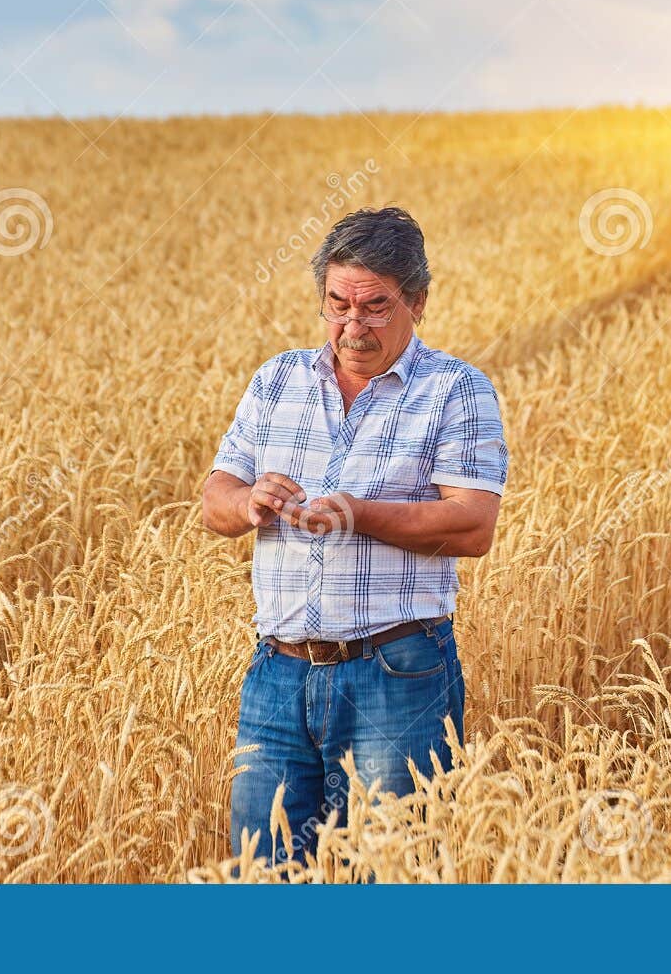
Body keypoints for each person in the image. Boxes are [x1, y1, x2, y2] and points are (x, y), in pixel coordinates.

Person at [202, 205, 508, 867]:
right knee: (262, 874)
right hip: (277, 673)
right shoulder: (277, 379)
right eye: (338, 303)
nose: (352, 324)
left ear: (418, 301)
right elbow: (213, 501)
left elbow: (474, 523)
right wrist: (250, 501)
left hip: (396, 673)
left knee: (389, 875)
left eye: (375, 306)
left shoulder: (455, 390)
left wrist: (358, 513)